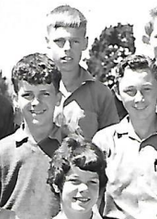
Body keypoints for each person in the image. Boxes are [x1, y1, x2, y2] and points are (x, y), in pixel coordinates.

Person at [92, 54, 157, 219]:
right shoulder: (104, 142)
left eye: (146, 89)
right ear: (117, 93)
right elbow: (93, 196)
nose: (139, 99)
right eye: (130, 91)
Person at [0, 53, 68, 219]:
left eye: (45, 94)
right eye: (27, 95)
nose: (36, 102)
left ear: (58, 98)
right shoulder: (0, 154)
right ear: (15, 99)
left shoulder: (73, 149)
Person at [44, 5, 122, 140]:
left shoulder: (101, 94)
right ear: (48, 42)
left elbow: (111, 145)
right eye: (59, 41)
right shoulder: (34, 90)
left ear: (85, 43)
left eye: (75, 41)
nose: (67, 48)